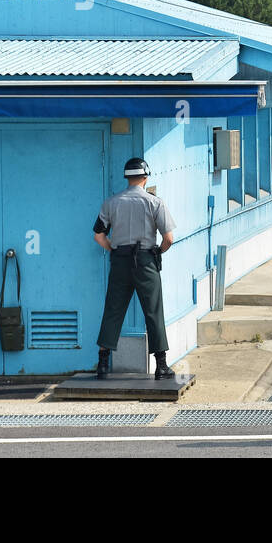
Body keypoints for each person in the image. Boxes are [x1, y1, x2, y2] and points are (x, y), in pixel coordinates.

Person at [92, 157, 177, 380]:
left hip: (120, 259)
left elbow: (98, 235)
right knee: (153, 310)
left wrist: (113, 249)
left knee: (113, 309)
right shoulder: (154, 202)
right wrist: (157, 252)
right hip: (146, 260)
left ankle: (102, 364)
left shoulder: (111, 203)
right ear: (145, 177)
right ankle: (161, 366)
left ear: (127, 178)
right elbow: (169, 238)